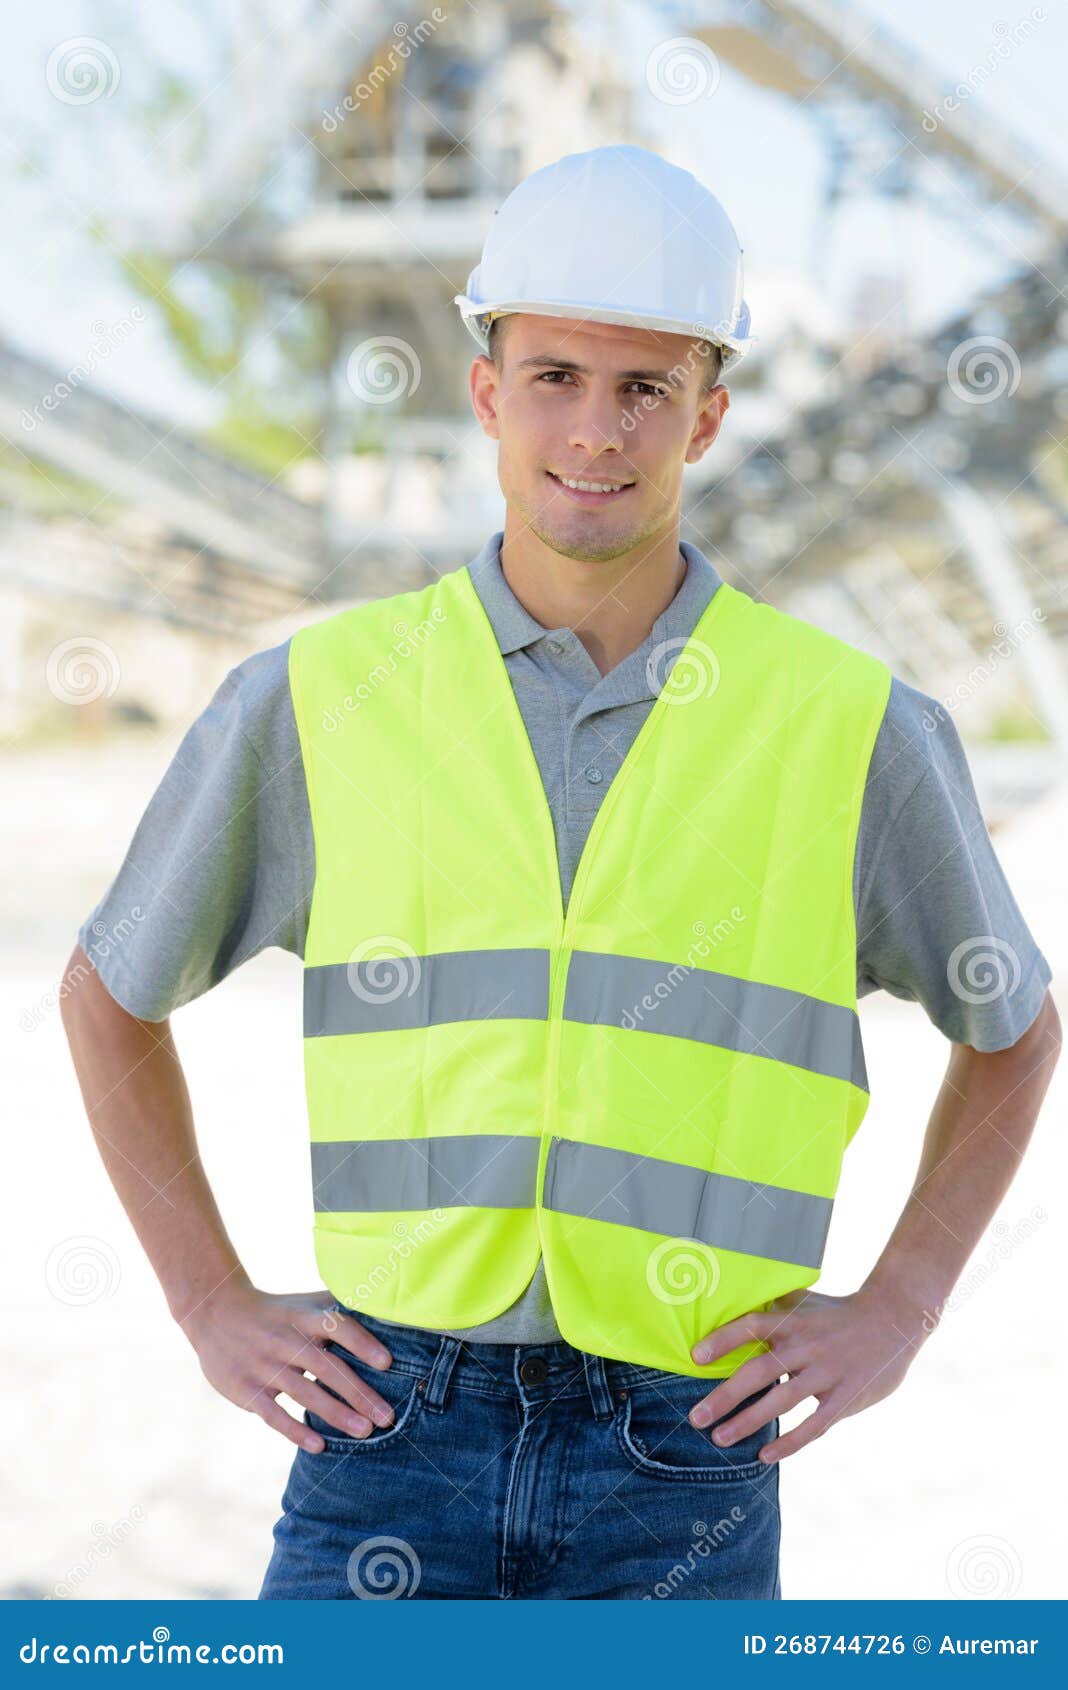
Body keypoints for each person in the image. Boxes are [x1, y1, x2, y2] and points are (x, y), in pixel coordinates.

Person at [61, 145, 1060, 1601]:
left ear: (707, 417)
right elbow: (108, 995)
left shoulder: (847, 723)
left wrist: (900, 1305)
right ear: (485, 393)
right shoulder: (326, 693)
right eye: (554, 377)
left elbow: (1015, 1034)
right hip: (387, 1422)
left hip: (685, 1443)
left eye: (645, 387)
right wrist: (208, 1298)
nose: (597, 428)